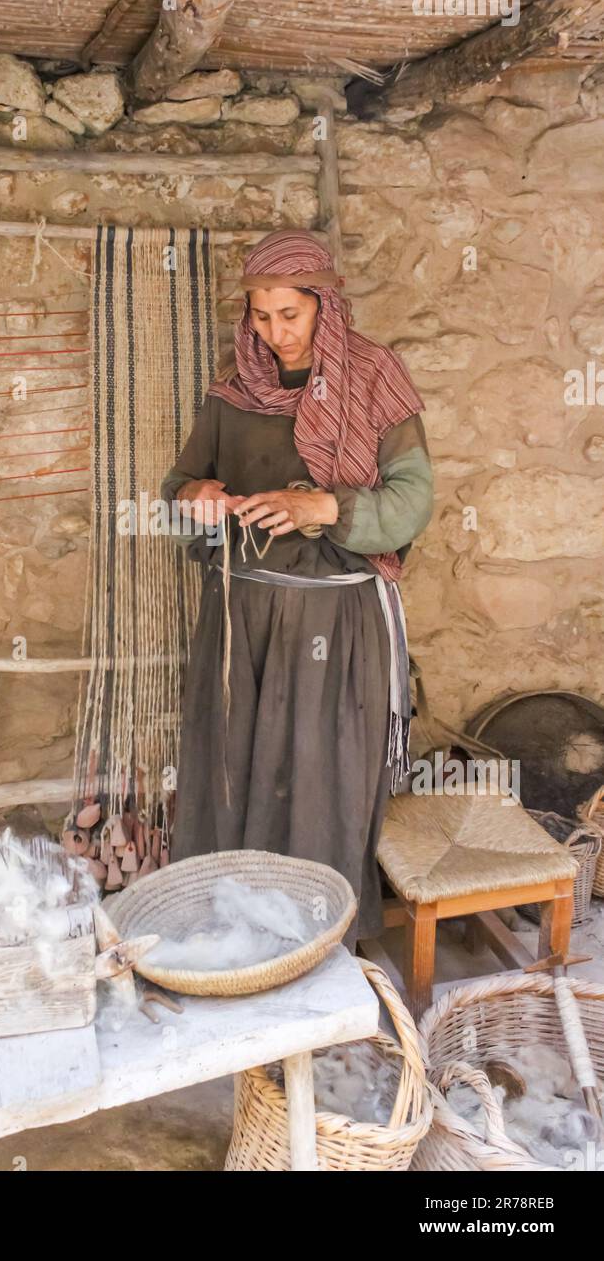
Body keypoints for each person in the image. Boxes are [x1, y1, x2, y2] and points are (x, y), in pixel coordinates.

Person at [160, 229, 434, 949]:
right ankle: (233, 940)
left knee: (322, 777)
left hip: (335, 620)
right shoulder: (233, 389)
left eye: (290, 314)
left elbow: (412, 502)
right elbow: (177, 483)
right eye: (259, 315)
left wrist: (328, 506)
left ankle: (318, 939)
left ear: (326, 305)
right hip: (241, 615)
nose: (274, 332)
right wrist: (197, 494)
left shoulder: (373, 381)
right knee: (232, 766)